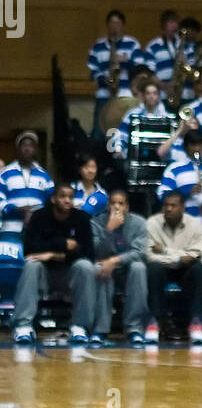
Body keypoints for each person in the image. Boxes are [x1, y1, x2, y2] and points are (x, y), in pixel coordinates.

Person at [11, 182, 96, 346]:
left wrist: (52, 254)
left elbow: (88, 253)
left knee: (85, 266)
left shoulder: (81, 219)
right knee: (31, 264)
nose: (67, 201)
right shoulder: (39, 217)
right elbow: (30, 250)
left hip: (69, 275)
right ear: (53, 199)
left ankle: (80, 326)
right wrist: (64, 244)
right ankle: (23, 326)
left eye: (70, 197)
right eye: (63, 196)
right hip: (44, 275)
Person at [144, 190, 202, 345]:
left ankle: (195, 322)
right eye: (166, 205)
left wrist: (165, 251)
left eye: (173, 205)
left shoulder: (195, 224)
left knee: (199, 270)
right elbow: (149, 254)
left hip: (184, 269)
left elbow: (198, 254)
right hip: (162, 268)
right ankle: (155, 322)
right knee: (152, 269)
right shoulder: (152, 223)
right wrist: (180, 257)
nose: (169, 209)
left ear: (183, 208)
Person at [90, 188, 148, 347]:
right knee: (99, 268)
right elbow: (95, 251)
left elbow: (140, 253)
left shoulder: (139, 223)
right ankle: (100, 330)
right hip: (105, 267)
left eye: (120, 203)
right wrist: (108, 229)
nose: (117, 207)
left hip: (127, 268)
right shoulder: (96, 222)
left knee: (139, 268)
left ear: (127, 207)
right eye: (113, 203)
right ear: (107, 206)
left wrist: (115, 260)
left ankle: (134, 329)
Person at [87, 9, 143, 133]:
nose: (114, 27)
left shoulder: (132, 43)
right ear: (107, 25)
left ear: (123, 25)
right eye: (112, 23)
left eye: (117, 23)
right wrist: (104, 80)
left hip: (125, 95)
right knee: (100, 131)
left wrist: (126, 61)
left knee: (125, 130)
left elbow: (140, 69)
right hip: (104, 95)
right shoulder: (98, 46)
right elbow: (92, 71)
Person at [0, 132, 54, 246]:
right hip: (11, 229)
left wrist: (37, 214)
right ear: (17, 149)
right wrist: (18, 210)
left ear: (36, 150)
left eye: (31, 145)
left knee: (34, 262)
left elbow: (51, 202)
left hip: (38, 230)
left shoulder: (44, 175)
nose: (27, 148)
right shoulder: (5, 173)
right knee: (10, 263)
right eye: (24, 145)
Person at [158, 129, 202, 216]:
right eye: (193, 145)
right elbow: (162, 196)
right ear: (185, 147)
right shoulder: (174, 169)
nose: (197, 148)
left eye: (200, 144)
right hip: (185, 222)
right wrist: (185, 192)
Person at [144, 10, 181, 94]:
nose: (174, 26)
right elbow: (149, 72)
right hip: (162, 94)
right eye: (171, 22)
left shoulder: (184, 44)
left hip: (185, 94)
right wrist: (164, 86)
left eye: (176, 23)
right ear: (164, 25)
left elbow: (193, 66)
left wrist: (186, 62)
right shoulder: (153, 46)